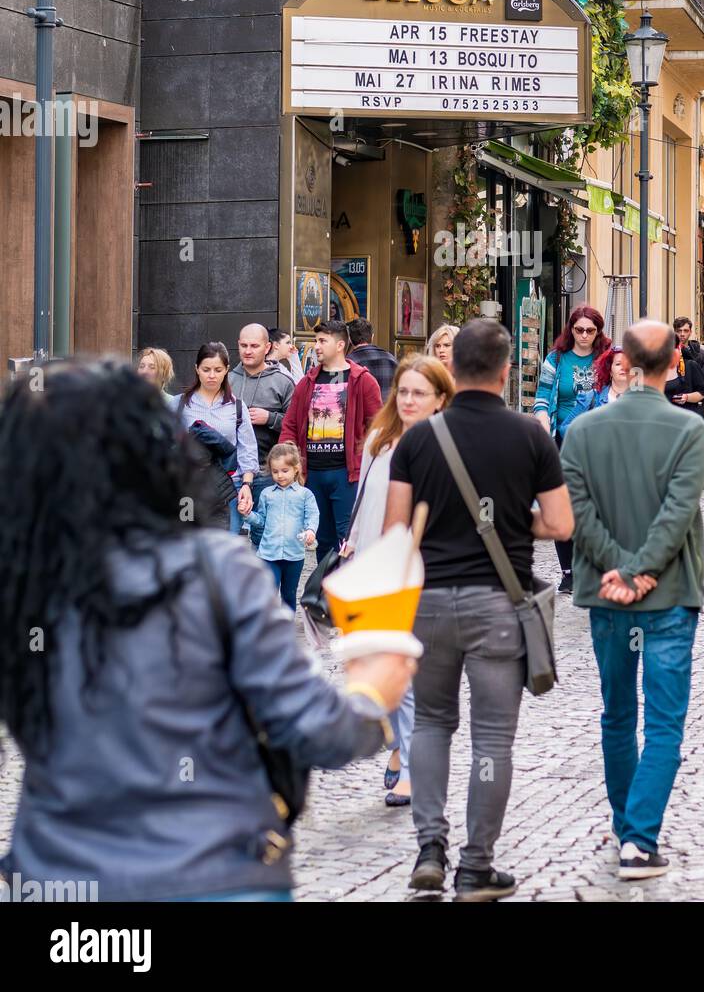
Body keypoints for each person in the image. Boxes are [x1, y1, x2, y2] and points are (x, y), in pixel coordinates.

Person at [0, 360, 414, 902]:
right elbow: (313, 727)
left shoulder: (21, 585)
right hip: (210, 875)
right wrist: (372, 694)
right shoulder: (214, 570)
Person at [385, 319, 574, 902]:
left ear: (452, 370)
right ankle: (476, 865)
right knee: (493, 740)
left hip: (431, 605)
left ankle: (429, 851)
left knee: (434, 725)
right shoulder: (529, 437)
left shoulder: (418, 440)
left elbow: (396, 531)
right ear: (503, 370)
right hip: (499, 603)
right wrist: (516, 523)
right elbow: (562, 524)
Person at [561, 321, 704, 880]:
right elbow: (678, 513)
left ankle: (627, 826)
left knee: (617, 715)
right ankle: (639, 840)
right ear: (674, 363)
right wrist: (642, 568)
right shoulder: (688, 429)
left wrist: (617, 567)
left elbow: (580, 516)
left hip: (607, 593)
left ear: (624, 359)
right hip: (668, 594)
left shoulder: (583, 431)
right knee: (664, 722)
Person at [347, 355, 455, 808]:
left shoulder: (451, 445)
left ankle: (410, 766)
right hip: (377, 567)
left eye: (419, 393)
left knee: (411, 673)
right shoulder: (379, 439)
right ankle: (397, 743)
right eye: (404, 392)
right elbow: (364, 503)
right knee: (381, 670)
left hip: (426, 573)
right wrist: (351, 547)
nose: (408, 400)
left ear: (440, 399)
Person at [280, 320, 382, 564]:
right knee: (322, 540)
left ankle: (349, 594)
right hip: (313, 473)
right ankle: (324, 596)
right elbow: (291, 424)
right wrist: (286, 457)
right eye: (316, 341)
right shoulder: (307, 382)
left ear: (339, 345)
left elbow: (378, 426)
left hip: (347, 474)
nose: (316, 346)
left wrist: (364, 460)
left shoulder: (363, 380)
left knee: (347, 539)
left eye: (321, 341)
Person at [533, 305, 610, 594]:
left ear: (598, 332)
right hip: (561, 439)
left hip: (597, 441)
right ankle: (569, 572)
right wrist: (542, 423)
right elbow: (542, 396)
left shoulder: (607, 357)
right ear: (570, 329)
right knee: (562, 505)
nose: (584, 335)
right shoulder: (556, 359)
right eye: (579, 329)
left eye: (591, 330)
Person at [178, 342, 260, 530]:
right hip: (188, 489)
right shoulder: (180, 404)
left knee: (226, 548)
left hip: (229, 489)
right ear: (196, 369)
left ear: (226, 370)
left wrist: (247, 485)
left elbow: (248, 450)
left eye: (218, 369)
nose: (212, 375)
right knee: (188, 545)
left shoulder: (237, 407)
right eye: (206, 369)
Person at [228, 325, 295, 544]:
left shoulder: (283, 382)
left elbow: (295, 425)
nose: (248, 351)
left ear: (267, 347)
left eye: (254, 346)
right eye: (243, 345)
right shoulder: (226, 380)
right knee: (229, 535)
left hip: (269, 472)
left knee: (267, 536)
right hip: (232, 471)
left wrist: (271, 419)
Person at [243, 442, 318, 611]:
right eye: (275, 471)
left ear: (296, 469)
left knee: (289, 595)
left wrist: (311, 531)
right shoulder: (266, 494)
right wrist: (247, 515)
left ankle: (287, 629)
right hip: (269, 553)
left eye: (285, 471)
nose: (280, 476)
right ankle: (269, 628)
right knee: (269, 593)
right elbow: (261, 520)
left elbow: (312, 515)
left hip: (294, 555)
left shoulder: (305, 495)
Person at [562, 344, 628, 426]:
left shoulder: (643, 399)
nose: (623, 368)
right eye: (618, 364)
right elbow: (565, 428)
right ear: (610, 371)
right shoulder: (590, 398)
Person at [346, 318, 398, 400]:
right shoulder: (391, 359)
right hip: (387, 411)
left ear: (350, 339)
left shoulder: (348, 363)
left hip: (363, 412)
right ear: (372, 336)